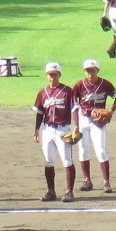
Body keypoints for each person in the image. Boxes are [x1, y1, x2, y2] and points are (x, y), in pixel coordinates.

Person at [72, 59, 116, 193]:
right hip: (83, 120)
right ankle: (87, 181)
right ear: (84, 71)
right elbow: (73, 103)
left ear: (97, 70)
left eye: (92, 70)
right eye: (88, 71)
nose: (90, 73)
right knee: (83, 150)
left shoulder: (105, 84)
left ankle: (106, 182)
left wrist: (110, 111)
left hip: (98, 121)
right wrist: (76, 124)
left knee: (100, 150)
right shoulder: (79, 85)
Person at [32, 62, 78, 203]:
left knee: (67, 160)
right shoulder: (42, 93)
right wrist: (36, 130)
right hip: (47, 129)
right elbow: (40, 112)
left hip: (62, 129)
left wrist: (76, 125)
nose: (52, 77)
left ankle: (69, 191)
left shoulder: (67, 91)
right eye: (50, 75)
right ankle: (51, 191)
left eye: (55, 74)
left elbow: (74, 109)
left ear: (59, 75)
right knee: (48, 161)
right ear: (46, 76)